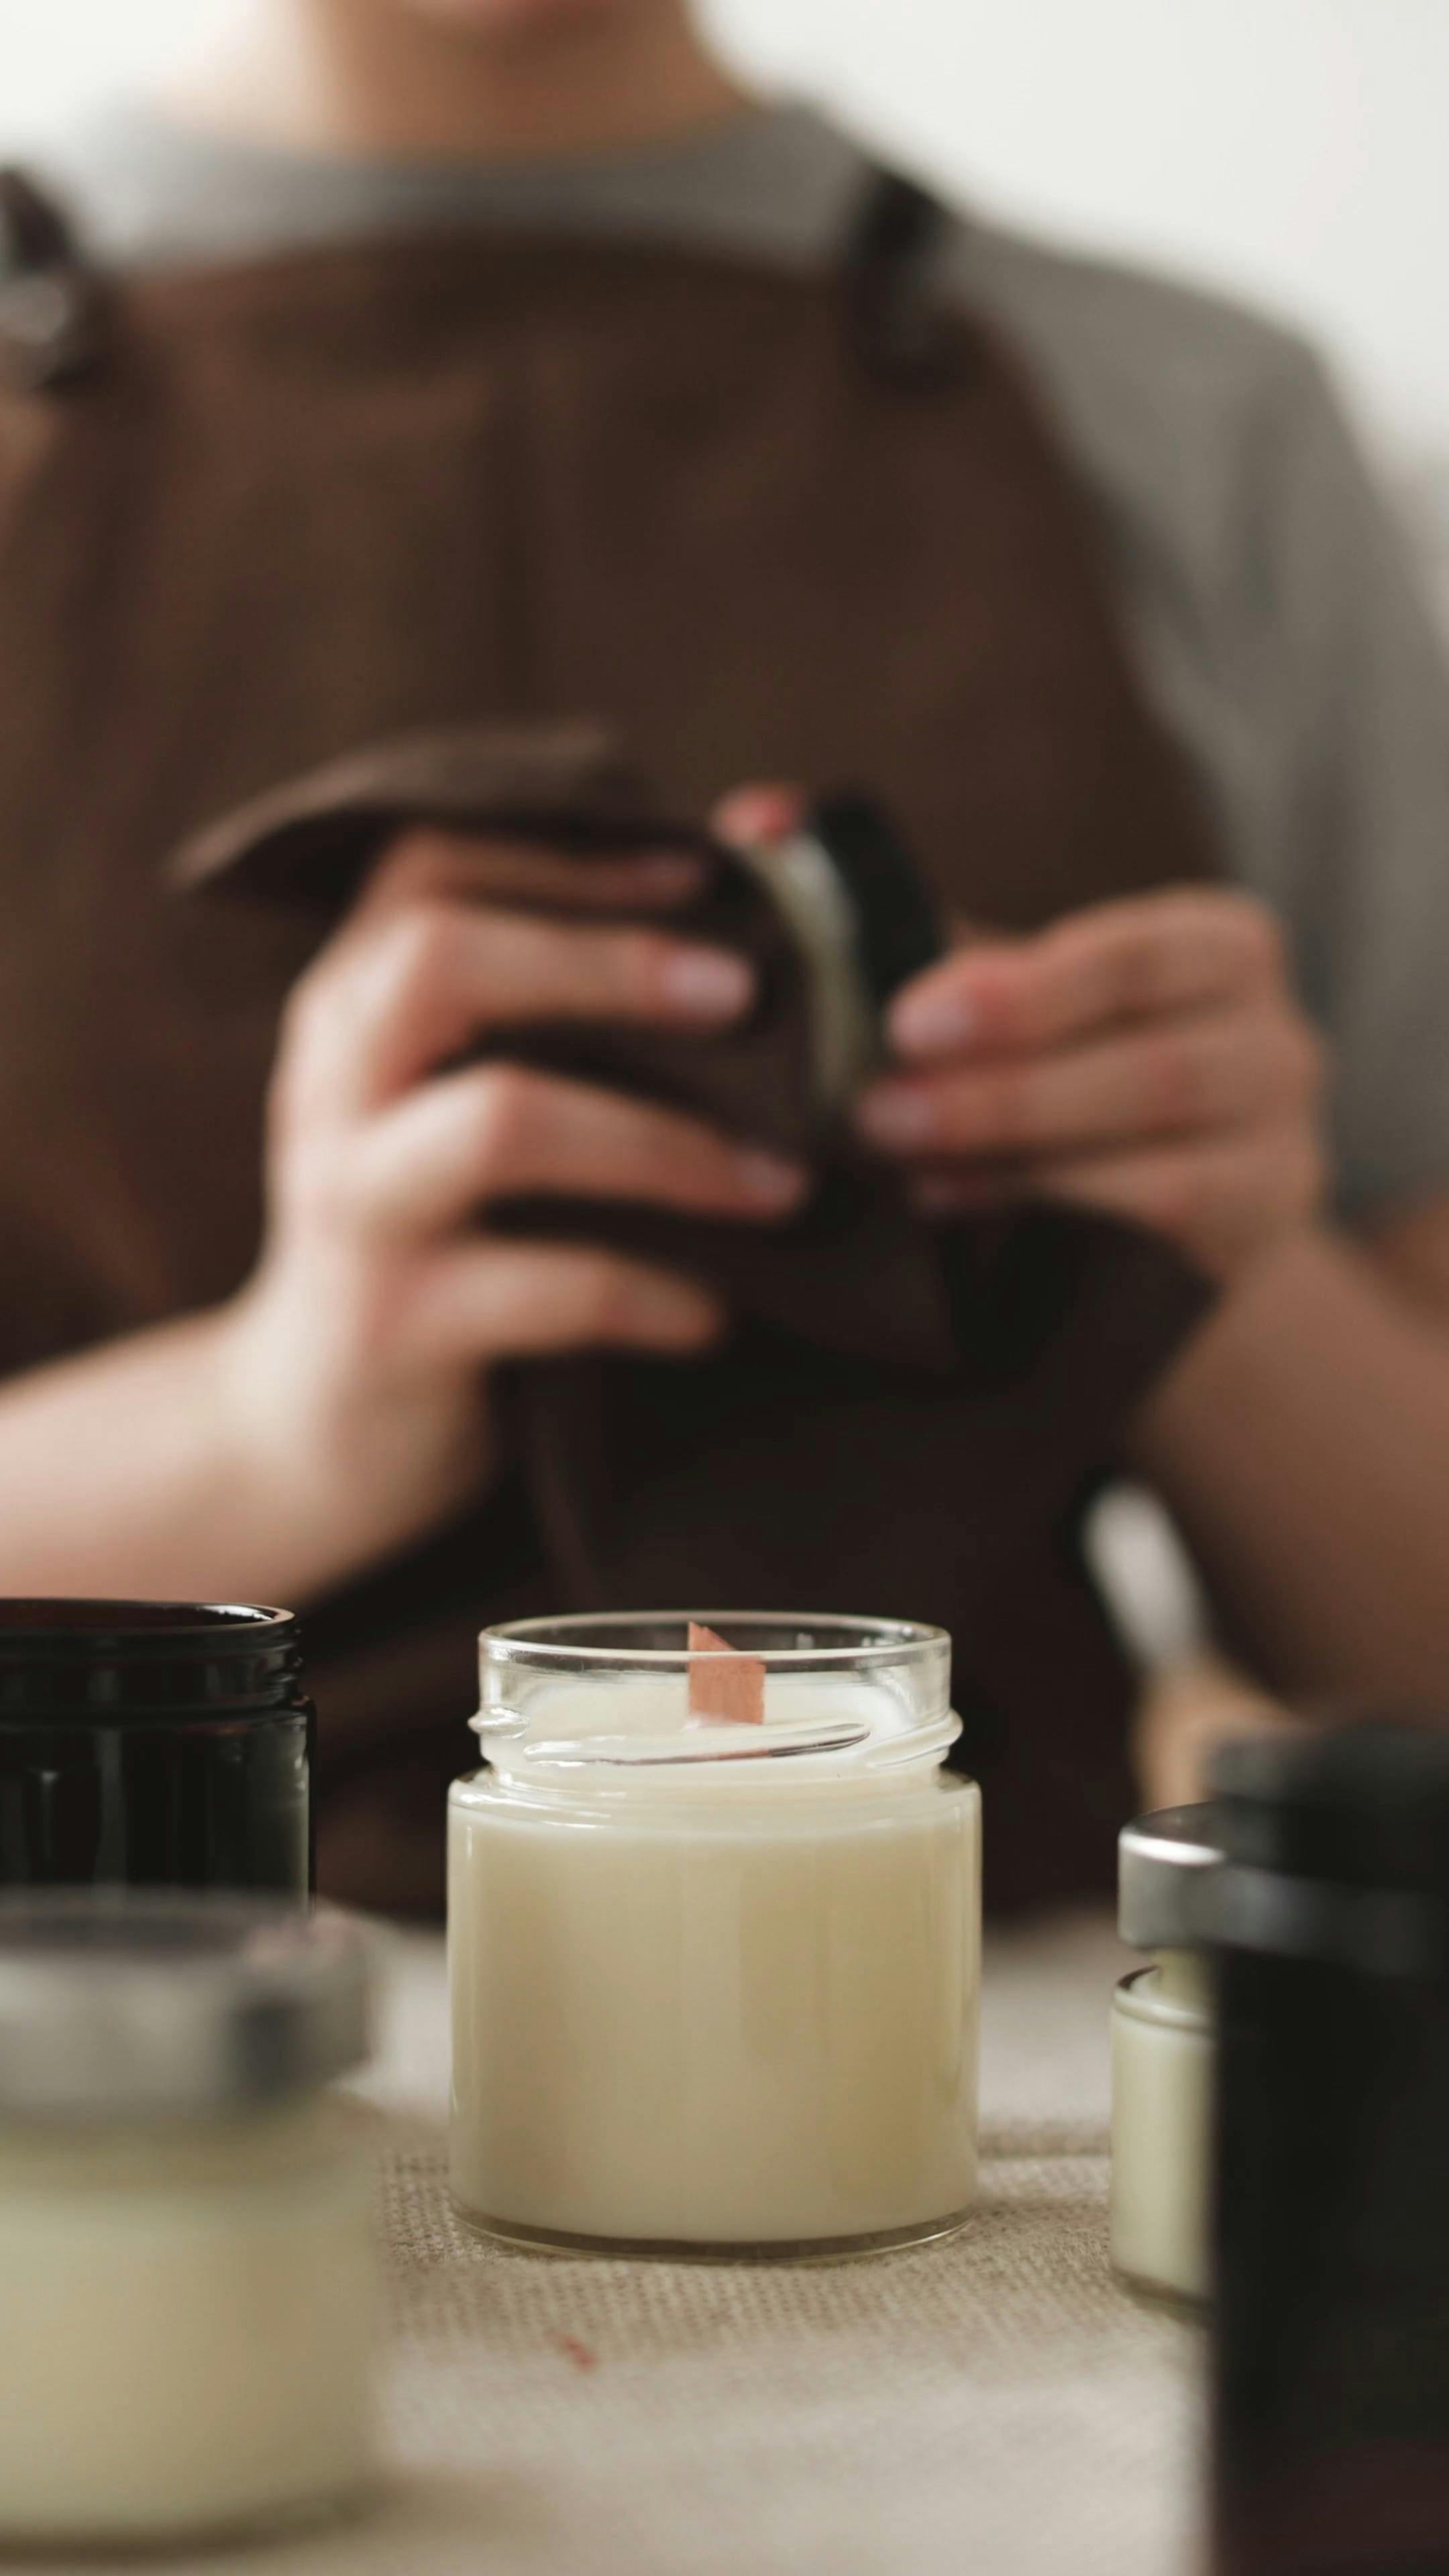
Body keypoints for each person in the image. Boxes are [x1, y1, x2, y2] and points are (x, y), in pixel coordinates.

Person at [1, 0, 1448, 1913]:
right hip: (103, 2095)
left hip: (981, 2092)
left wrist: (1222, 1265)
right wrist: (278, 1419)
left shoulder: (1205, 425)